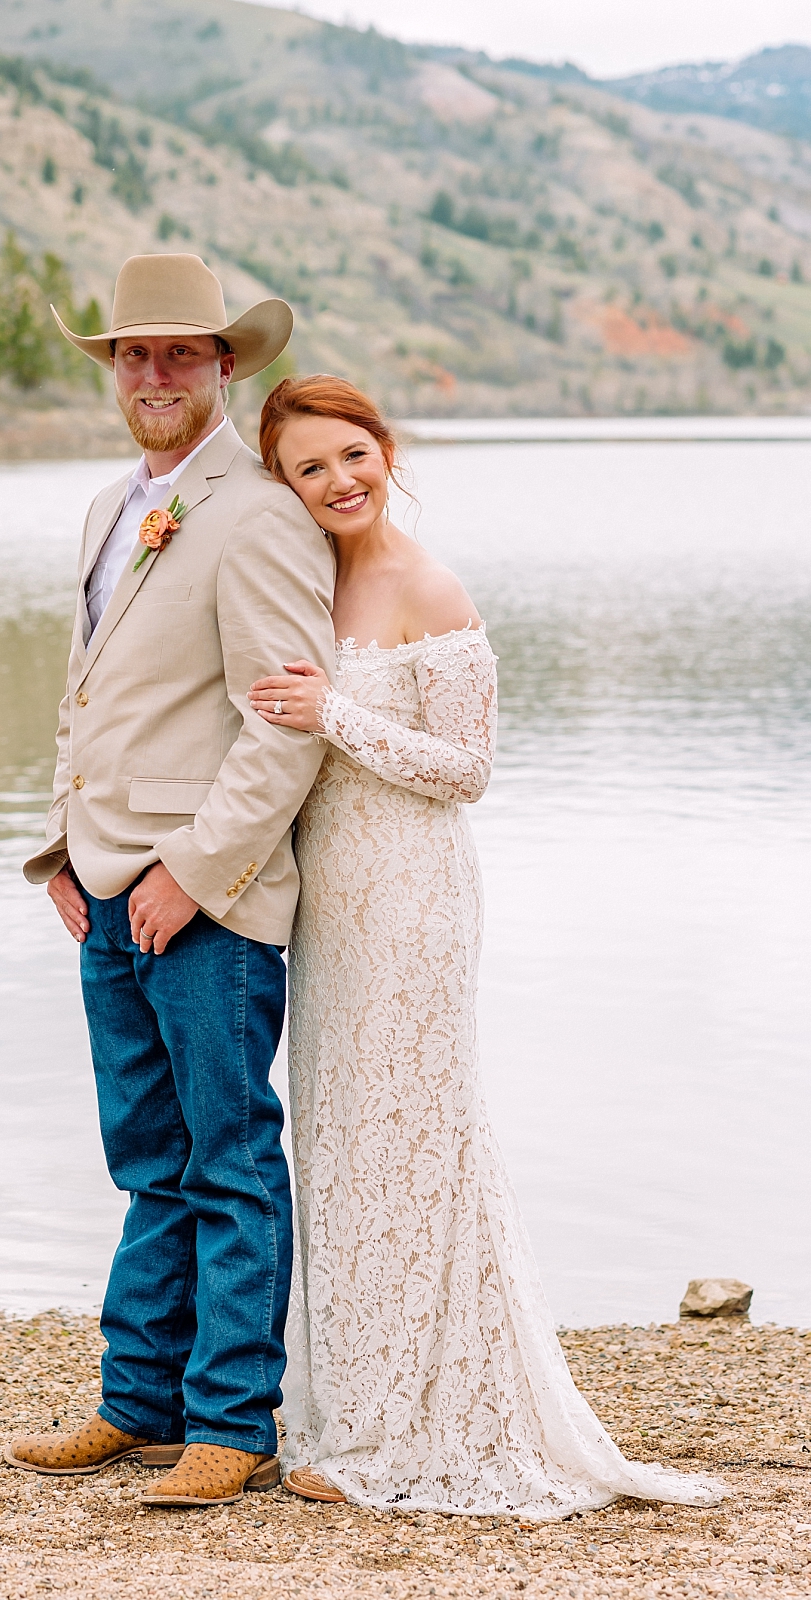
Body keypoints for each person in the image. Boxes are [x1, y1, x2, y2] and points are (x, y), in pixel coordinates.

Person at [247, 375, 721, 1518]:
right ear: (284, 486)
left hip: (411, 897)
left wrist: (335, 715)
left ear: (384, 448)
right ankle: (350, 1399)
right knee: (343, 1138)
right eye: (308, 468)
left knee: (417, 1137)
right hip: (329, 901)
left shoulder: (427, 583)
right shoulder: (313, 580)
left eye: (351, 454)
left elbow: (465, 771)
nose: (337, 480)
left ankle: (431, 1413)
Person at [4, 256, 335, 1508]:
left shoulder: (256, 514)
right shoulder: (108, 507)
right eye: (133, 355)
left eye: (178, 354)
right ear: (113, 371)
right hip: (101, 885)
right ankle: (135, 1402)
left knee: (230, 1154)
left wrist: (192, 873)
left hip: (205, 897)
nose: (153, 374)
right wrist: (59, 846)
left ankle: (229, 1422)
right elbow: (85, 696)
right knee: (147, 1155)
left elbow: (285, 725)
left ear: (223, 366)